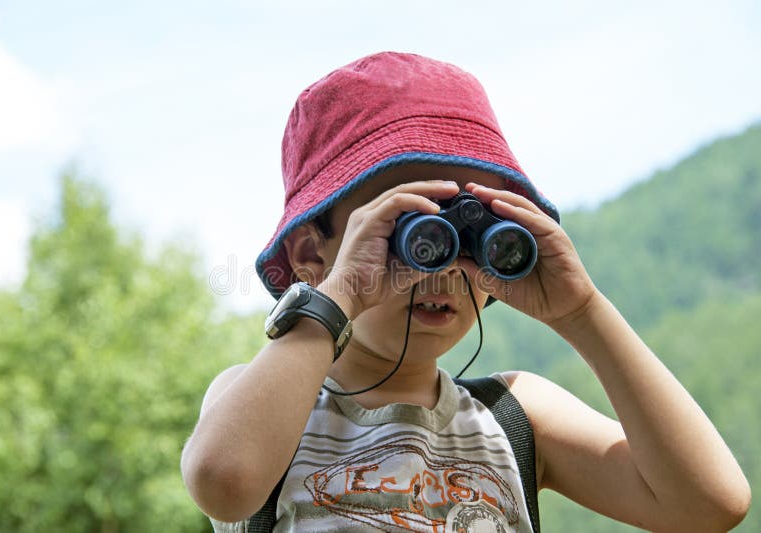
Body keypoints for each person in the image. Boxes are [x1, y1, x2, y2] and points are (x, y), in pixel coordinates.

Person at [180, 52, 750, 532]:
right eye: (412, 230)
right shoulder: (262, 405)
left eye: (474, 236)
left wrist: (581, 312)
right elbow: (224, 483)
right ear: (310, 254)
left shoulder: (515, 416)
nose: (444, 267)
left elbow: (708, 504)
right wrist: (339, 296)